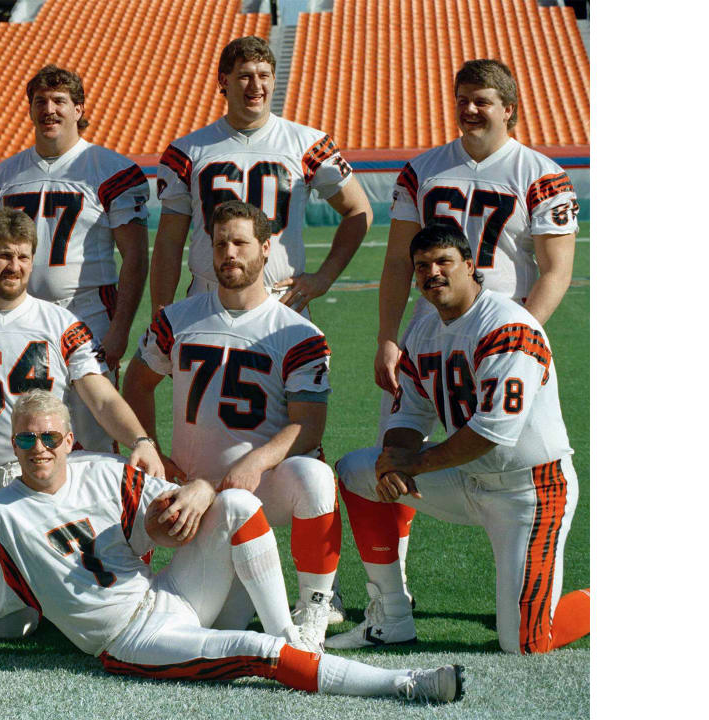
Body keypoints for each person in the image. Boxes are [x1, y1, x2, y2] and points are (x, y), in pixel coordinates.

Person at [0, 391, 465, 705]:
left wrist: (199, 489)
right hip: (132, 640)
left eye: (50, 437)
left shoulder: (100, 471)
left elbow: (189, 501)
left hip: (167, 593)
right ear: (15, 443)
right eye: (27, 438)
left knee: (236, 506)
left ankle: (291, 631)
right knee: (255, 654)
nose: (39, 448)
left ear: (68, 439)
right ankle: (404, 684)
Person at [368, 58, 581, 601]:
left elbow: (557, 271)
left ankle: (528, 577)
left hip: (502, 332)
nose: (469, 109)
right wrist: (388, 336)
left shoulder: (540, 173)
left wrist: (517, 339)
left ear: (509, 109)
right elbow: (396, 261)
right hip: (428, 335)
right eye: (462, 98)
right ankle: (391, 599)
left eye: (482, 100)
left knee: (506, 453)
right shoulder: (424, 169)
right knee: (388, 458)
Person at [327, 224, 589, 654]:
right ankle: (391, 614)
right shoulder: (426, 328)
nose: (433, 273)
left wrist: (412, 465)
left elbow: (493, 433)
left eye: (444, 262)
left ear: (470, 267)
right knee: (360, 469)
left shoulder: (508, 325)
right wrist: (395, 460)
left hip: (529, 491)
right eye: (422, 266)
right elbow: (410, 410)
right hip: (467, 477)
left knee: (525, 643)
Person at [0, 207, 164, 638]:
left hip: (54, 481)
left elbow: (99, 395)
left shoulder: (59, 322)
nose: (15, 267)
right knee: (10, 628)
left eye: (24, 257)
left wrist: (140, 438)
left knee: (89, 599)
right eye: (5, 255)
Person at [122, 201, 340, 647]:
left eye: (240, 242)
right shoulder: (176, 319)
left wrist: (257, 461)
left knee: (315, 475)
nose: (229, 253)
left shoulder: (298, 333)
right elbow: (137, 384)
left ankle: (314, 608)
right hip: (190, 492)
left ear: (265, 247)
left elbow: (309, 428)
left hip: (257, 488)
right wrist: (150, 446)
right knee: (220, 628)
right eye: (220, 243)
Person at [0, 64, 150, 452]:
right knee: (30, 432)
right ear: (30, 109)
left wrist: (120, 328)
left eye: (59, 101)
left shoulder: (110, 169)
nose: (49, 110)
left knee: (93, 435)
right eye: (40, 101)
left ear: (79, 109)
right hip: (21, 316)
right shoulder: (6, 175)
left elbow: (135, 257)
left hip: (86, 312)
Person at [150, 35, 371, 315]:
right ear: (223, 81)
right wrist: (161, 310)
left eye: (264, 75)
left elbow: (358, 209)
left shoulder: (307, 143)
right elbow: (169, 241)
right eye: (245, 76)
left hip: (281, 302)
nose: (256, 86)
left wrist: (324, 277)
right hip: (208, 303)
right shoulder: (187, 151)